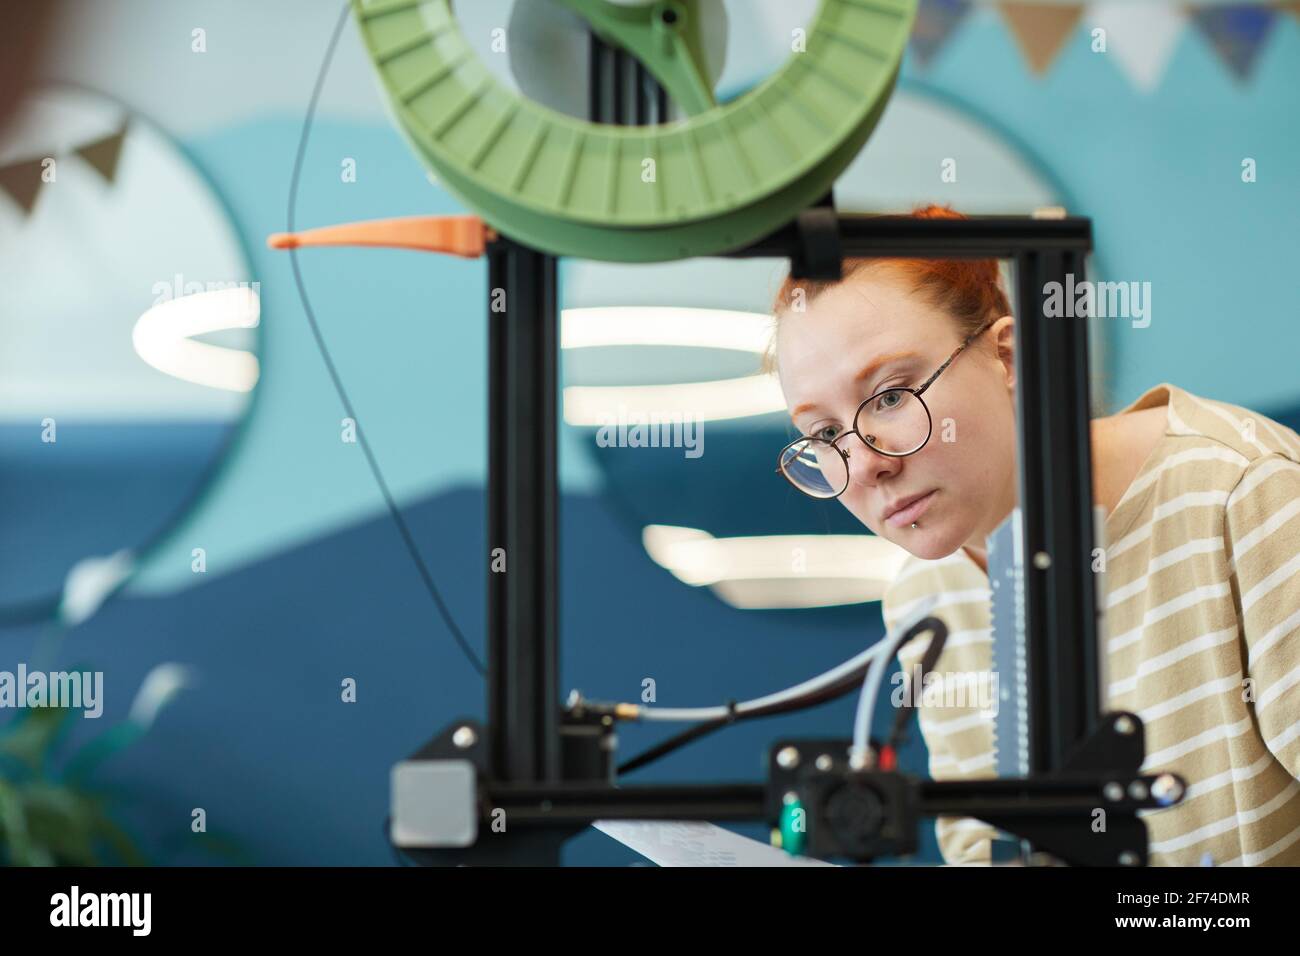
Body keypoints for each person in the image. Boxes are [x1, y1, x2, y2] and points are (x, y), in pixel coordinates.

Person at [765, 203, 1300, 866]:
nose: (866, 462)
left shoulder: (1246, 496)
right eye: (822, 435)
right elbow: (987, 850)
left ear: (1009, 357)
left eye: (892, 395)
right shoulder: (924, 599)